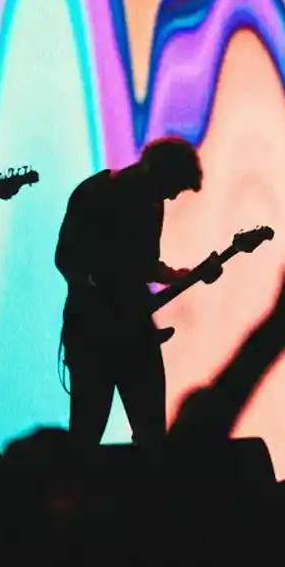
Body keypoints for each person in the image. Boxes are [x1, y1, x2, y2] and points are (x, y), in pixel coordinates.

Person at [55, 137, 222, 447]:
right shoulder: (97, 193)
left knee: (149, 434)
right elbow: (66, 259)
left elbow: (144, 266)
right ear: (155, 172)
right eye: (172, 186)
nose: (172, 196)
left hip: (128, 331)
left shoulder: (150, 203)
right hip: (93, 334)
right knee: (87, 432)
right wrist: (104, 297)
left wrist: (182, 276)